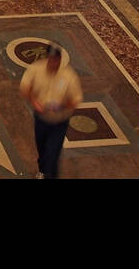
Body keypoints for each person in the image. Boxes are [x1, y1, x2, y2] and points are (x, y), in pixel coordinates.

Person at [19, 45, 83, 179]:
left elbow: (76, 99)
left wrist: (62, 106)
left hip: (59, 121)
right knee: (42, 149)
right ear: (47, 59)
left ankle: (50, 175)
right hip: (42, 118)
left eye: (57, 60)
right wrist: (34, 101)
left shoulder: (68, 75)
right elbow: (25, 87)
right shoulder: (36, 69)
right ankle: (43, 171)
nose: (54, 63)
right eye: (52, 60)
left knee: (52, 152)